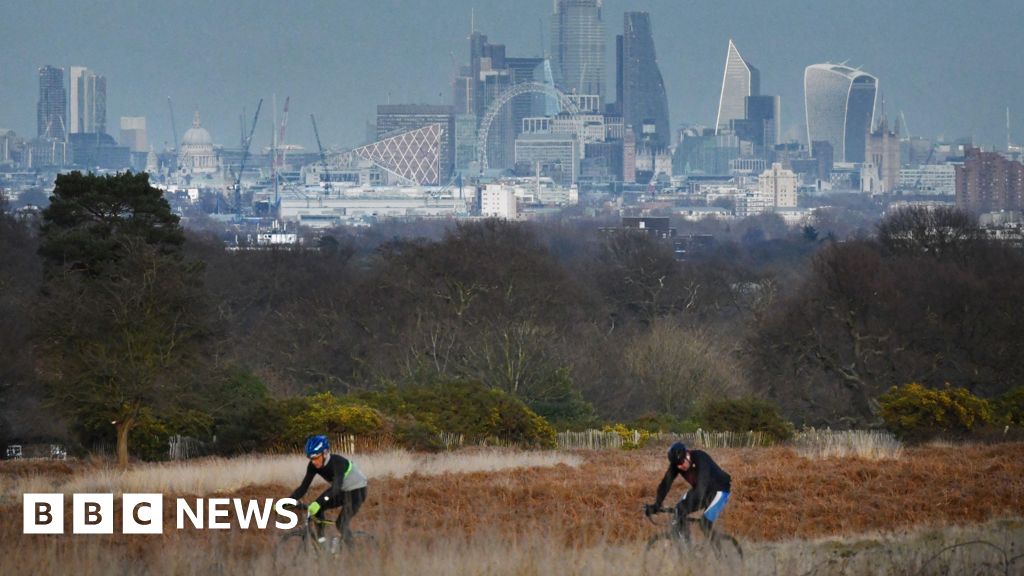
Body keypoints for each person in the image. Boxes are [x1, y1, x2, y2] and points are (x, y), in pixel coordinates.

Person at [289, 434, 368, 546]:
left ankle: (354, 555)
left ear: (325, 453)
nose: (314, 462)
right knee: (317, 510)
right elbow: (303, 487)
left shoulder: (337, 462)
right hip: (342, 491)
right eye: (311, 458)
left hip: (357, 491)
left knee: (341, 524)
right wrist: (287, 501)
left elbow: (336, 488)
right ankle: (322, 543)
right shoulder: (312, 466)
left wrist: (318, 502)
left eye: (316, 457)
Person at [645, 442, 732, 538]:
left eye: (681, 463)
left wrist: (687, 505)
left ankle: (718, 551)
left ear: (687, 455)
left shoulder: (701, 458)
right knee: (679, 510)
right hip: (702, 489)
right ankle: (686, 547)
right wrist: (657, 504)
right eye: (677, 465)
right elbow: (665, 484)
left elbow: (701, 489)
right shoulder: (677, 464)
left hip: (719, 490)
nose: (679, 467)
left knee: (705, 524)